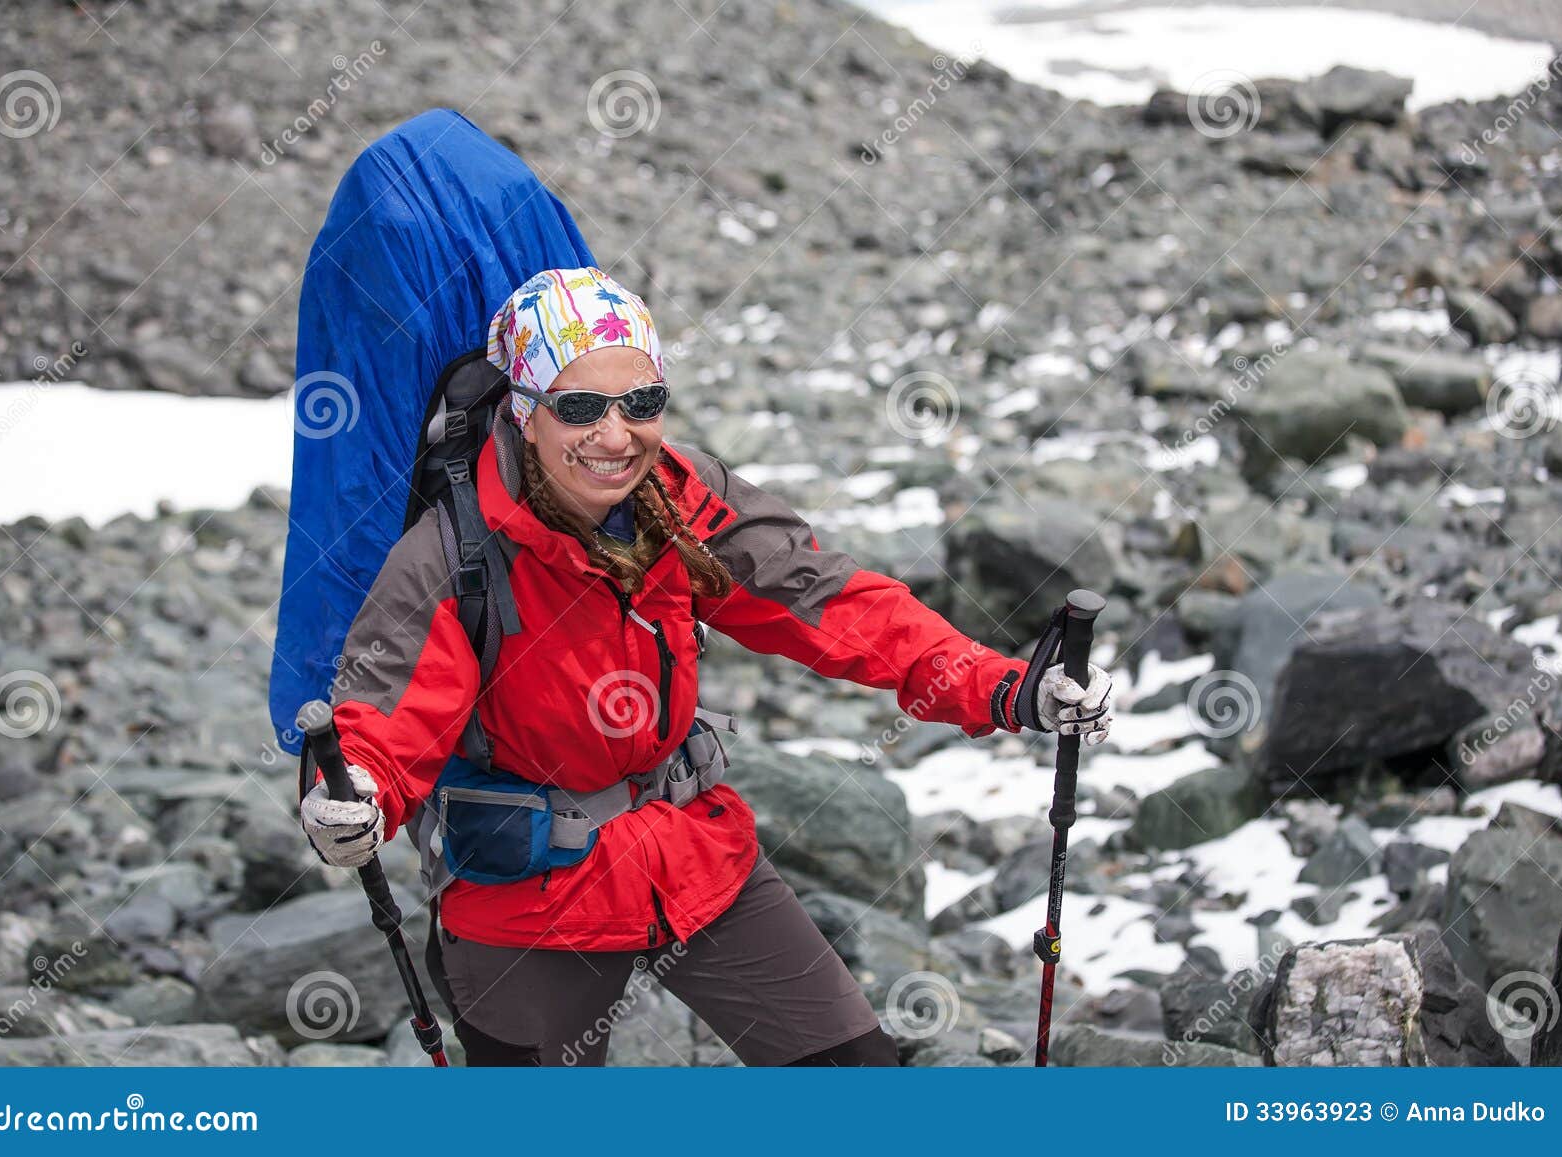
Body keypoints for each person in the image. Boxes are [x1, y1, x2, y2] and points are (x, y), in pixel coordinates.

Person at [299, 266, 1113, 1067]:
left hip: (691, 850)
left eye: (642, 401)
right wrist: (353, 793)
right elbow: (384, 717)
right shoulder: (453, 554)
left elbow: (829, 601)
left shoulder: (679, 498)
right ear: (525, 412)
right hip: (527, 901)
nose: (616, 435)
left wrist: (1005, 687)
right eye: (579, 407)